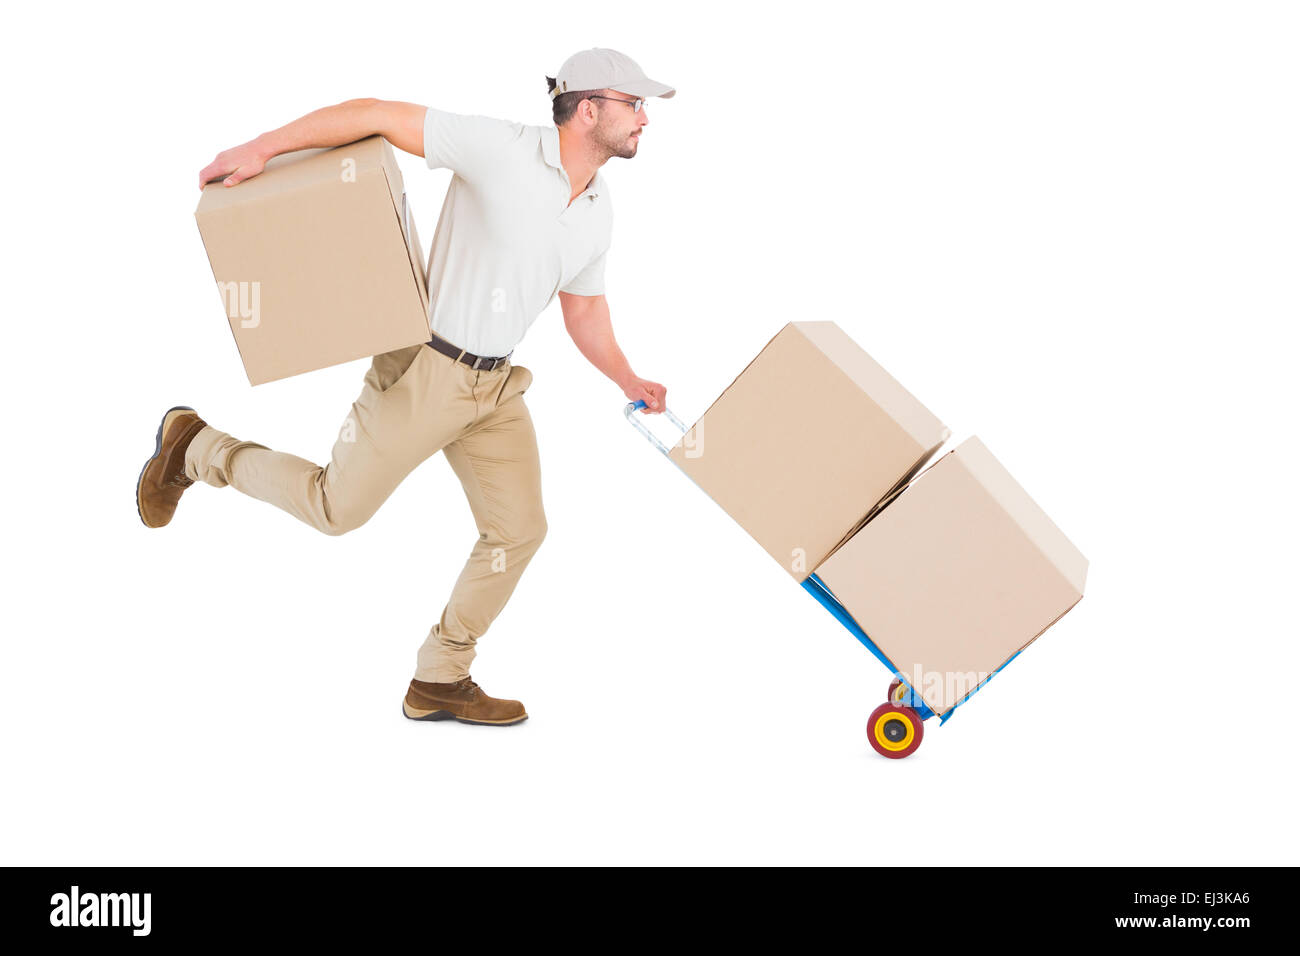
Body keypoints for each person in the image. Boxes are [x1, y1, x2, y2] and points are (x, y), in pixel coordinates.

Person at [136, 48, 673, 726]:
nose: (646, 119)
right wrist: (262, 148)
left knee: (520, 528)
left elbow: (585, 309)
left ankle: (441, 677)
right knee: (336, 509)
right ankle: (197, 448)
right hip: (427, 369)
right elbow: (376, 116)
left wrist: (629, 378)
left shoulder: (598, 205)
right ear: (589, 107)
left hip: (494, 386)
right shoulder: (500, 148)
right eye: (636, 104)